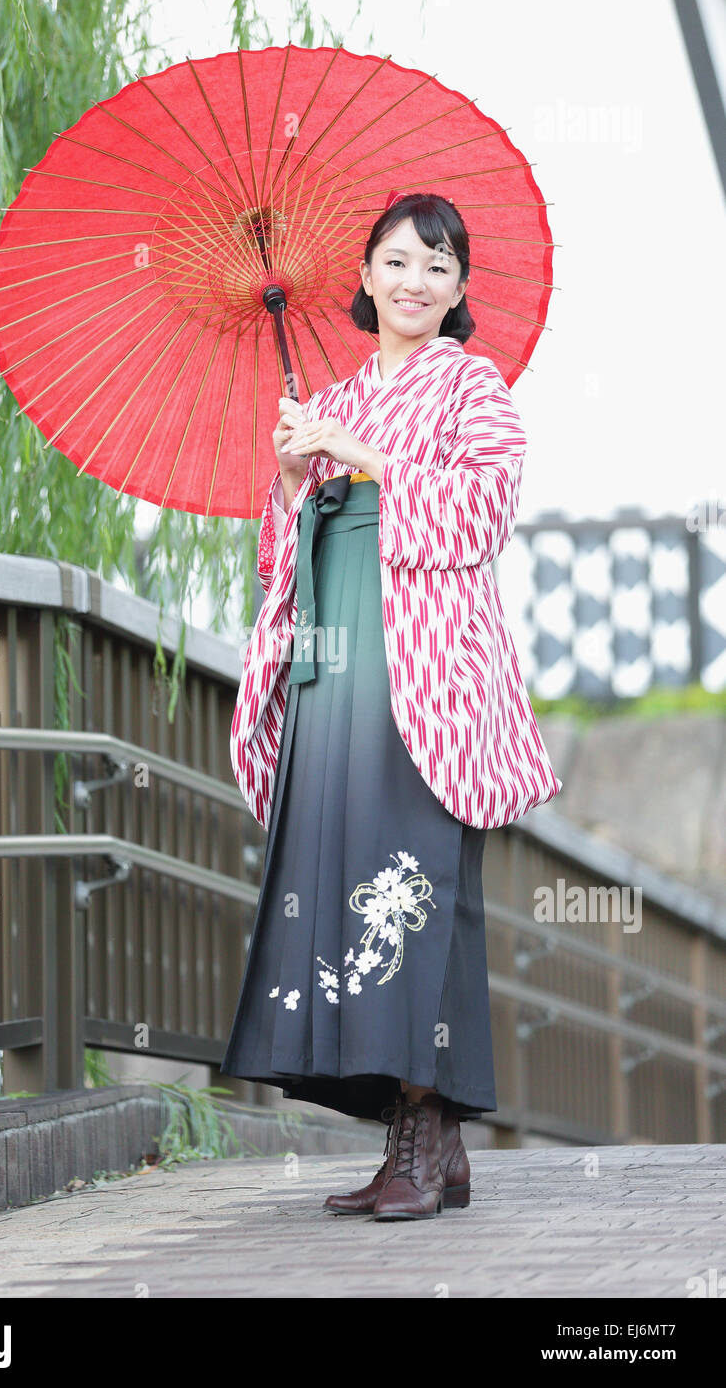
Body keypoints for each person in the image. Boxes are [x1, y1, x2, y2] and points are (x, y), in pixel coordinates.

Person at [222, 192, 562, 1221]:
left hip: (428, 673)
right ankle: (419, 1143)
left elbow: (481, 510)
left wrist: (361, 456)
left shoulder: (472, 387)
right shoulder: (333, 396)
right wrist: (291, 482)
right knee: (347, 881)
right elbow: (293, 559)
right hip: (338, 662)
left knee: (414, 892)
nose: (415, 283)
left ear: (458, 292)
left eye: (437, 268)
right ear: (363, 277)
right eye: (398, 263)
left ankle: (425, 1134)